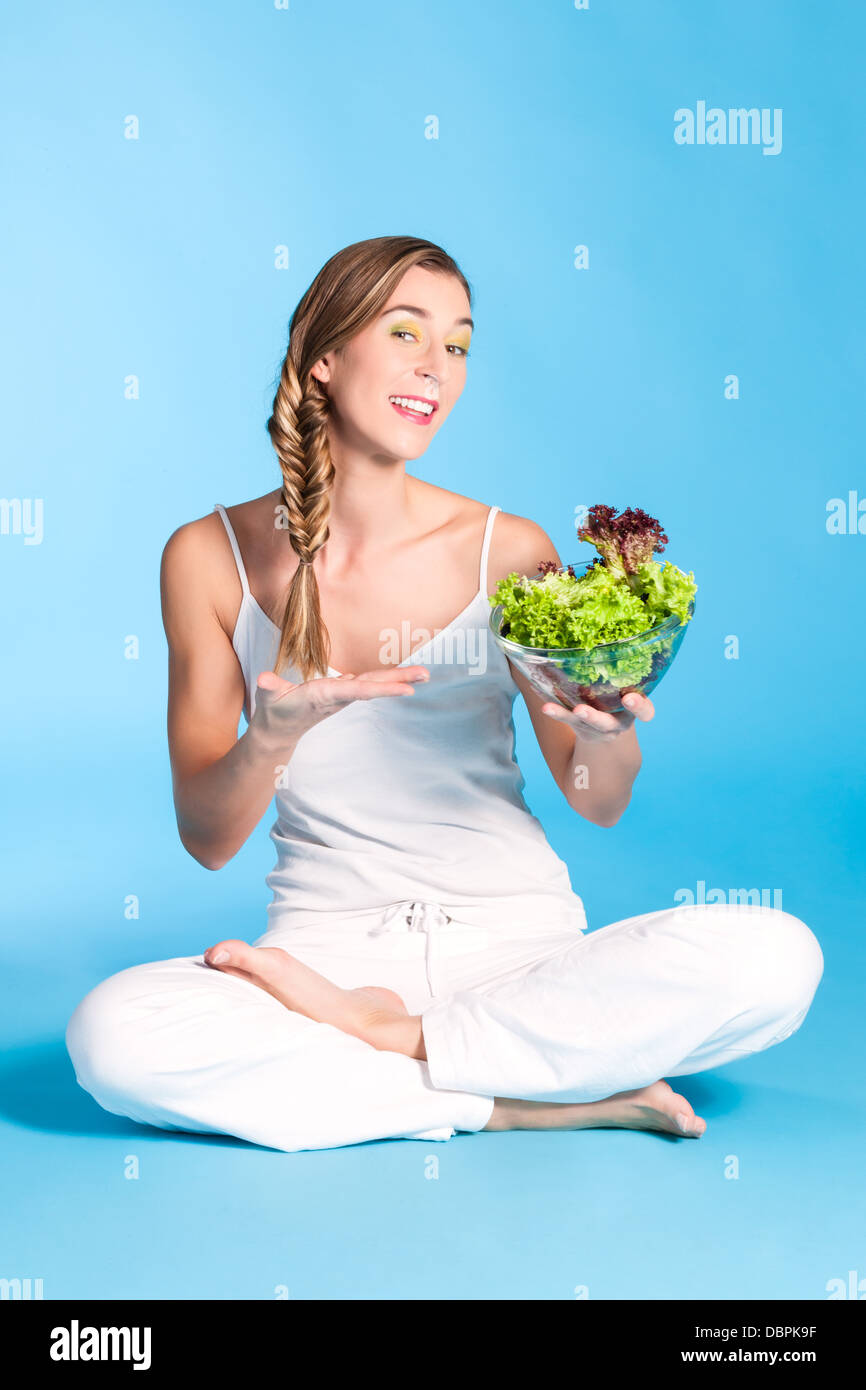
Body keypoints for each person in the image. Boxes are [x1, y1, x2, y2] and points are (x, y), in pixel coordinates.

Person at [65, 235, 824, 1153]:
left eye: (458, 345)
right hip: (325, 957)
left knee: (778, 958)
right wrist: (268, 740)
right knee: (111, 1037)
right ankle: (519, 1096)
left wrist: (608, 728)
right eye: (406, 333)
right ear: (325, 360)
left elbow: (600, 802)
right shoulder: (206, 558)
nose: (437, 368)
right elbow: (207, 839)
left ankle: (397, 1047)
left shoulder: (508, 550)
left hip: (520, 949)